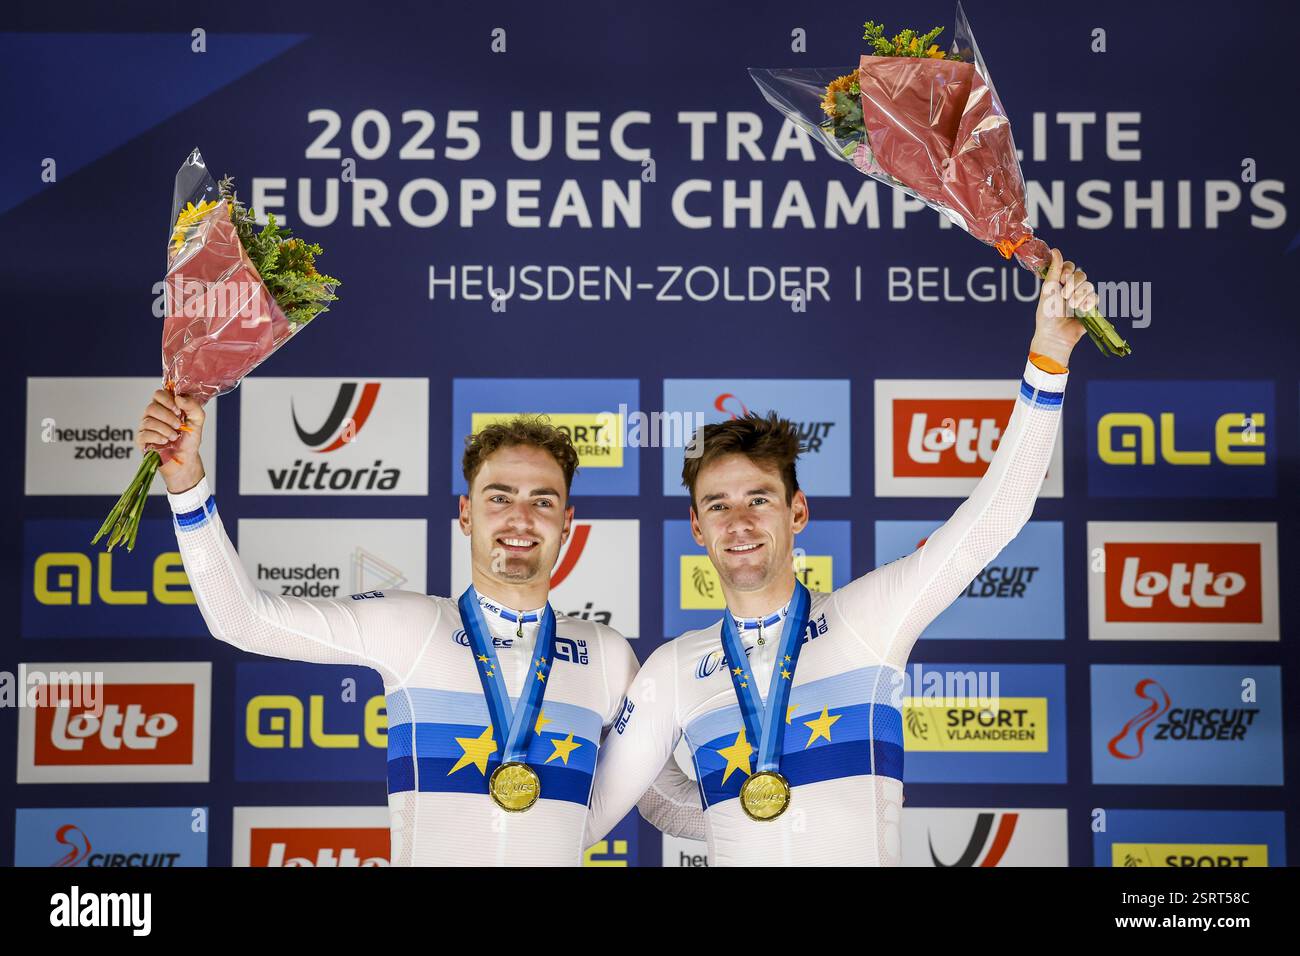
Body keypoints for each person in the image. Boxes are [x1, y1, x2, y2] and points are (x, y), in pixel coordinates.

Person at [584, 249, 1095, 865]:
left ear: (797, 511)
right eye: (717, 505)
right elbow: (621, 808)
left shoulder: (865, 620)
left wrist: (1048, 358)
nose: (739, 522)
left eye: (759, 499)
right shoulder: (673, 668)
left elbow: (995, 518)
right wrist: (739, 811)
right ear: (697, 526)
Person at [141, 403, 682, 865]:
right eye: (499, 497)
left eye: (542, 501)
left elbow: (663, 800)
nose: (520, 518)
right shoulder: (412, 625)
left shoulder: (605, 654)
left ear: (567, 522)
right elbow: (242, 620)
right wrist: (187, 484)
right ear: (466, 514)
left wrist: (763, 814)